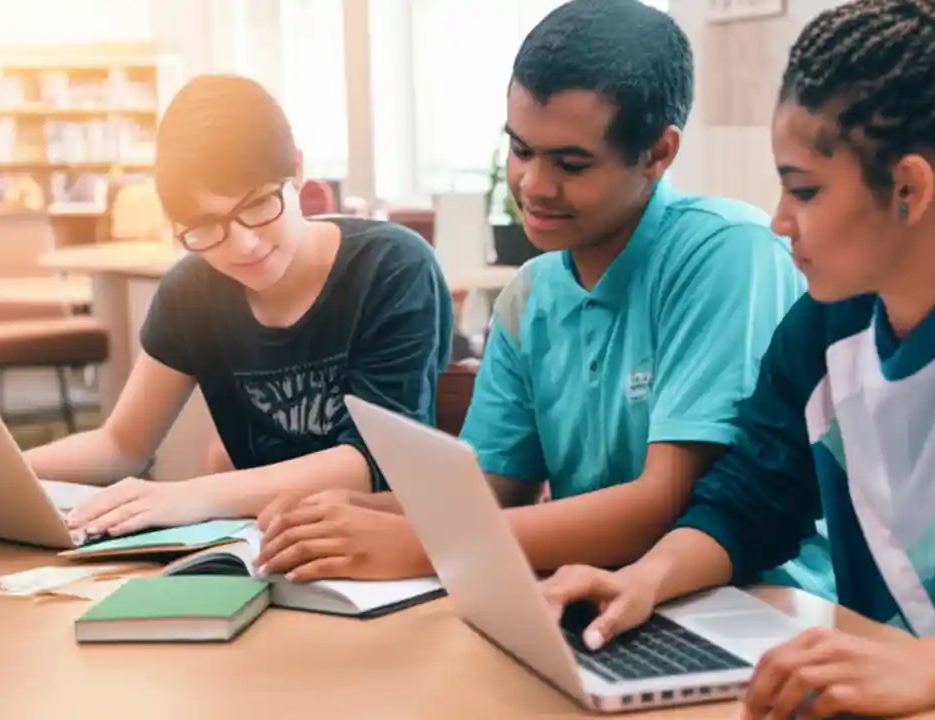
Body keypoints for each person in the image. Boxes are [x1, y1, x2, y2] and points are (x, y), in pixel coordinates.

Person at [538, 1, 935, 718]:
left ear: (908, 187)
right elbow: (751, 502)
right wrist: (647, 579)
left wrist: (933, 667)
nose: (779, 220)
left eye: (803, 189)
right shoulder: (826, 328)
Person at [252, 0, 834, 595]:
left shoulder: (726, 253)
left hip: (753, 606)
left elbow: (667, 504)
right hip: (589, 597)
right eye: (522, 150)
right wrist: (355, 512)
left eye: (571, 164)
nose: (533, 185)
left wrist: (426, 544)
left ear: (659, 153)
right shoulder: (530, 296)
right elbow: (492, 493)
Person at [24, 74, 454, 538]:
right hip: (256, 546)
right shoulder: (192, 292)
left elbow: (373, 462)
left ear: (297, 170)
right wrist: (6, 471)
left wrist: (195, 494)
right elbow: (120, 444)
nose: (242, 244)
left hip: (376, 545)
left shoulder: (391, 268)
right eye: (205, 226)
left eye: (257, 205)